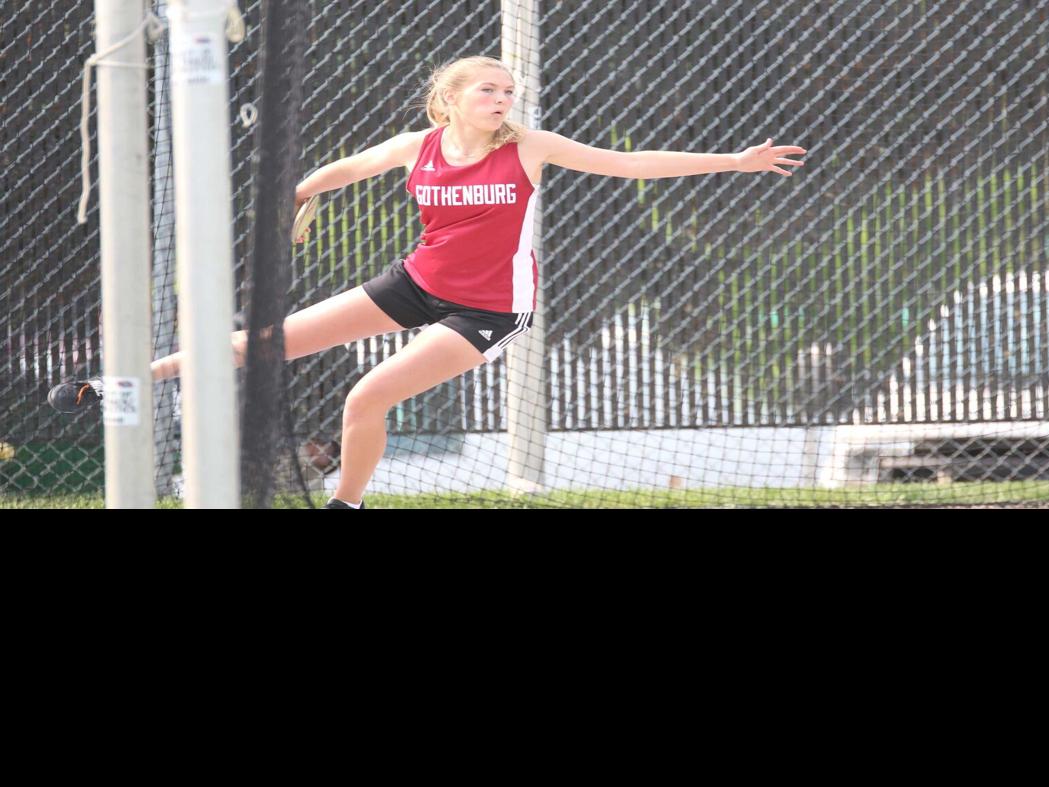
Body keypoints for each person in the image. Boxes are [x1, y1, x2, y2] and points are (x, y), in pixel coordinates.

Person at [50, 55, 806, 509]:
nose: (504, 100)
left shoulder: (531, 146)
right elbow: (343, 169)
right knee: (262, 342)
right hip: (414, 283)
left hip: (488, 308)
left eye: (509, 91)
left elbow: (629, 163)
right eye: (489, 92)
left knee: (365, 396)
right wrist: (303, 192)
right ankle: (124, 383)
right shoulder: (421, 144)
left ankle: (348, 504)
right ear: (451, 100)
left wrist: (731, 162)